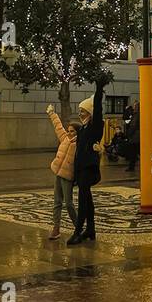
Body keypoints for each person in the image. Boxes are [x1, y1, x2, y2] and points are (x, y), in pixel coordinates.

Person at [67, 77, 108, 246]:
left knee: (83, 201)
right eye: (79, 110)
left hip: (89, 169)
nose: (80, 113)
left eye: (83, 111)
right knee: (87, 200)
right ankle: (90, 229)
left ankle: (78, 232)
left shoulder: (95, 125)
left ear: (90, 113)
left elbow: (98, 106)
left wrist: (98, 88)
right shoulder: (83, 127)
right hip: (82, 168)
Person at [45, 104, 78, 240]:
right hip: (58, 172)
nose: (69, 133)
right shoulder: (65, 138)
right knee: (57, 202)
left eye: (72, 131)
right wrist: (52, 113)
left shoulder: (79, 145)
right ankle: (56, 228)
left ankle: (78, 226)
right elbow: (58, 127)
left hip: (68, 176)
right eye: (69, 130)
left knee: (69, 203)